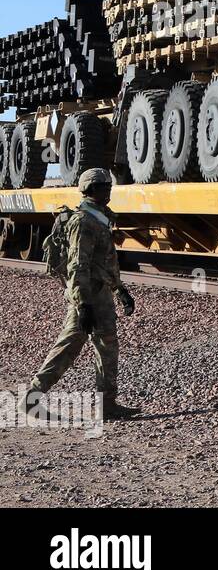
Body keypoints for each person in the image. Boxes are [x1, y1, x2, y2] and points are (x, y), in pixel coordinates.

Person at [25, 168, 140, 420]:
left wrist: (120, 291)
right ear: (89, 190)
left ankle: (106, 404)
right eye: (102, 186)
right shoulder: (84, 222)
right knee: (70, 346)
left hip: (100, 295)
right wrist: (83, 304)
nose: (108, 189)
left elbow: (105, 263)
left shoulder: (100, 217)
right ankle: (32, 397)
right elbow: (78, 266)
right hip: (88, 297)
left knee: (106, 346)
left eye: (108, 185)